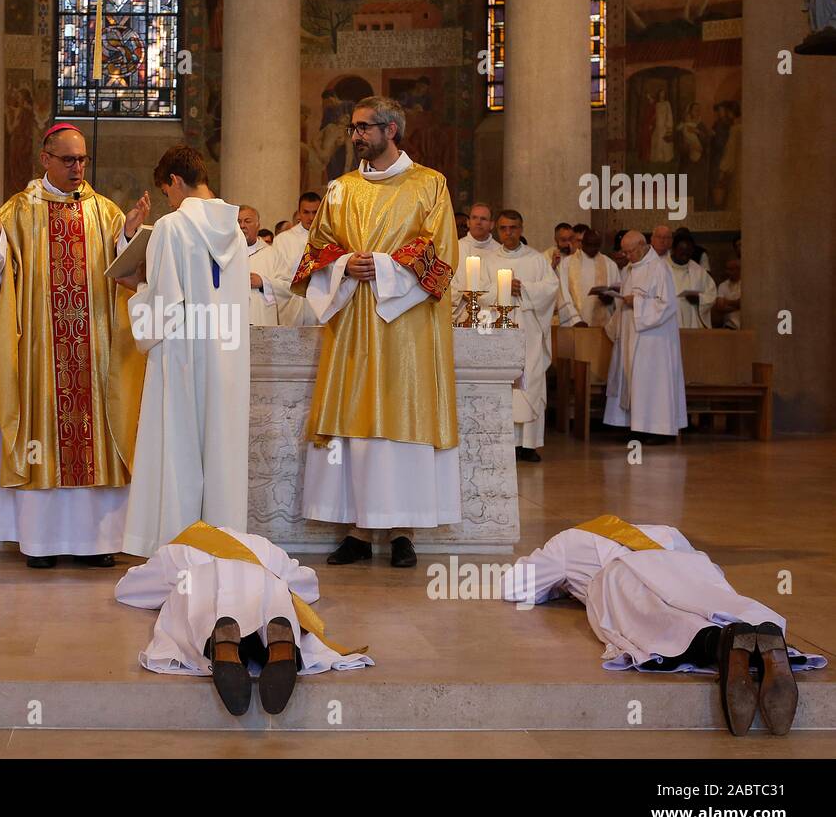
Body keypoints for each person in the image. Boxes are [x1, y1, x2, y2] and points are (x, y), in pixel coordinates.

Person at [291, 96, 459, 569]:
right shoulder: (341, 189)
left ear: (391, 130)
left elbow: (441, 253)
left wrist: (383, 267)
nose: (356, 135)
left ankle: (403, 530)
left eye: (364, 128)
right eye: (353, 128)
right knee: (355, 426)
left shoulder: (429, 184)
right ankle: (358, 530)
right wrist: (346, 264)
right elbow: (316, 251)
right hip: (353, 324)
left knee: (401, 423)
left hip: (407, 326)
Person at [0, 122, 148, 569]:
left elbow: (125, 272)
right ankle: (41, 543)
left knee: (94, 435)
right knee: (42, 437)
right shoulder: (18, 211)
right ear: (45, 159)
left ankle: (96, 543)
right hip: (40, 353)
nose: (78, 167)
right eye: (69, 159)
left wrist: (129, 235)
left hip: (94, 354)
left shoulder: (104, 212)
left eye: (83, 159)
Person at [504, 515, 826, 736]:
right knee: (710, 600)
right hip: (689, 565)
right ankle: (761, 633)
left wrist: (562, 586)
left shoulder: (569, 541)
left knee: (654, 620)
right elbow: (707, 580)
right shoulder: (667, 532)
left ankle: (719, 645)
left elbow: (516, 586)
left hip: (623, 573)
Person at [121, 145, 249, 558]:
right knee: (222, 447)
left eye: (166, 192)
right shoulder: (237, 232)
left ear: (175, 181)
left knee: (178, 446)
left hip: (181, 354)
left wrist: (135, 287)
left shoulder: (172, 228)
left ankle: (179, 546)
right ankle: (223, 544)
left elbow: (163, 304)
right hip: (227, 353)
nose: (168, 201)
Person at [115, 520, 372, 716]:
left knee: (196, 600)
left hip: (201, 582)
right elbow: (308, 587)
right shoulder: (264, 546)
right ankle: (280, 642)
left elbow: (129, 591)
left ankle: (222, 642)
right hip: (265, 581)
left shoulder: (177, 552)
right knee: (275, 593)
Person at [492, 210, 576, 462]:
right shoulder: (488, 260)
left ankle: (528, 445)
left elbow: (551, 288)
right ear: (498, 231)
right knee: (504, 386)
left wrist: (524, 288)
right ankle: (505, 444)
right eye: (504, 228)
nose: (509, 233)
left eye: (514, 227)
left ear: (521, 228)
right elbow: (480, 292)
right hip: (500, 331)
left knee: (530, 383)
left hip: (529, 330)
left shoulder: (537, 259)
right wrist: (502, 289)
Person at [604, 230, 687, 443]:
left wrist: (637, 303)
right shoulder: (631, 269)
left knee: (653, 383)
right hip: (633, 335)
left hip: (654, 339)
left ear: (642, 246)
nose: (627, 256)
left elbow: (668, 304)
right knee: (636, 382)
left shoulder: (659, 268)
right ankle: (638, 426)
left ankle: (660, 430)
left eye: (630, 251)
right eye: (624, 252)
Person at [267, 192, 322, 326]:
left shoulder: (331, 238)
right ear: (299, 213)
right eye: (306, 212)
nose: (311, 217)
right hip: (293, 308)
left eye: (315, 212)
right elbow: (278, 278)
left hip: (322, 308)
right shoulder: (283, 240)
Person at [562, 227, 621, 327]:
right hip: (576, 323)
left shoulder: (609, 264)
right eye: (589, 244)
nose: (593, 248)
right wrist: (575, 320)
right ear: (582, 243)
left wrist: (611, 300)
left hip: (603, 324)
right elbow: (563, 293)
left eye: (596, 246)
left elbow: (618, 293)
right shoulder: (567, 263)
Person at [238, 205, 279, 325]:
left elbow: (286, 287)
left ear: (258, 226)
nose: (242, 226)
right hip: (234, 321)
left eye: (247, 221)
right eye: (238, 221)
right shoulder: (225, 256)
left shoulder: (272, 254)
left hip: (262, 319)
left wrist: (263, 283)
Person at [667, 235, 716, 329]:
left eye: (689, 250)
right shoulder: (661, 268)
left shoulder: (699, 271)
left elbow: (711, 294)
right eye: (682, 249)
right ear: (673, 249)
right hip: (669, 320)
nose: (685, 253)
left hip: (692, 321)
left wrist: (699, 299)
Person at [714, 258, 742, 330]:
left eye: (731, 269)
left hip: (745, 325)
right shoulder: (722, 286)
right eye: (727, 269)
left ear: (739, 270)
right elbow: (720, 307)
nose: (728, 272)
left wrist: (727, 302)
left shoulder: (746, 284)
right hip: (729, 326)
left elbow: (744, 303)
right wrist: (739, 306)